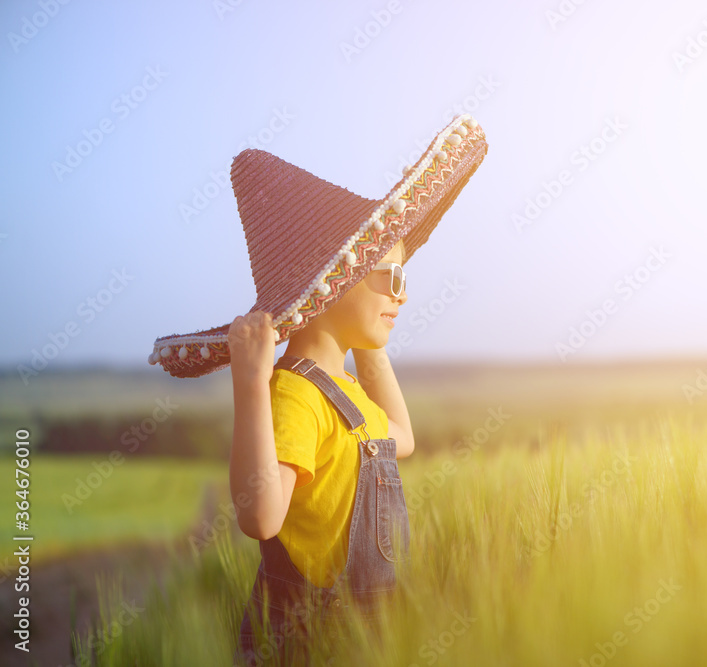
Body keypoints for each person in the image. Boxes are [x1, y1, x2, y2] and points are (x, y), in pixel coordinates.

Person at [148, 114, 488, 665]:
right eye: (390, 277)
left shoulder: (347, 393)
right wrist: (250, 383)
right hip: (307, 637)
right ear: (333, 284)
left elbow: (401, 437)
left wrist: (369, 347)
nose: (401, 295)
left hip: (368, 629)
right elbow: (260, 517)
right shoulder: (294, 396)